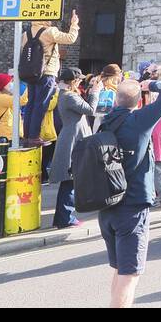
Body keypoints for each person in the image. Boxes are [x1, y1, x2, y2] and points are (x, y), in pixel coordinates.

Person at [95, 67, 161, 308]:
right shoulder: (139, 121)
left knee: (121, 270)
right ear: (138, 100)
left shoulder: (105, 122)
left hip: (107, 206)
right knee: (130, 275)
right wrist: (149, 85)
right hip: (131, 207)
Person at [47, 66, 97, 227]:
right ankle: (65, 218)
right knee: (70, 180)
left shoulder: (67, 94)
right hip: (73, 140)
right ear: (73, 81)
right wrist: (95, 92)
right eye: (79, 80)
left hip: (73, 137)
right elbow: (90, 110)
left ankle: (63, 217)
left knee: (71, 181)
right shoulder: (69, 96)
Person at [22, 11, 79, 147]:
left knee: (31, 103)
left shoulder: (26, 34)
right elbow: (70, 38)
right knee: (41, 104)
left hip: (30, 73)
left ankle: (27, 135)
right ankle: (35, 136)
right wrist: (74, 24)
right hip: (47, 72)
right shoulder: (50, 32)